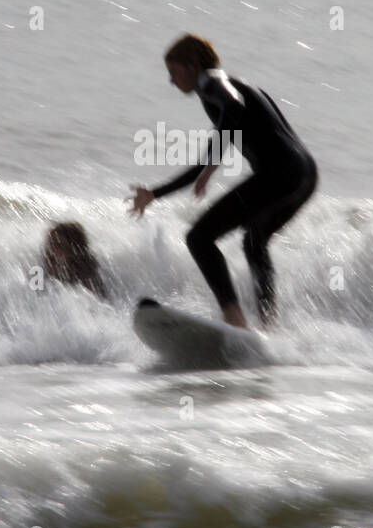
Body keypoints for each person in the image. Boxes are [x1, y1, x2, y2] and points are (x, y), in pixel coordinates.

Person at [128, 34, 318, 330]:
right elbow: (203, 163)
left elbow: (233, 106)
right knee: (254, 242)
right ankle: (269, 325)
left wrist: (211, 166)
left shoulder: (211, 81)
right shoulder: (238, 84)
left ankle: (235, 318)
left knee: (199, 239)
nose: (171, 80)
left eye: (174, 71)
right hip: (304, 173)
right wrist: (155, 193)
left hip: (279, 173)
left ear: (192, 65)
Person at [41, 222, 109, 299]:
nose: (50, 250)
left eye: (58, 245)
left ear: (75, 253)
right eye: (49, 243)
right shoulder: (40, 274)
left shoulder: (87, 285)